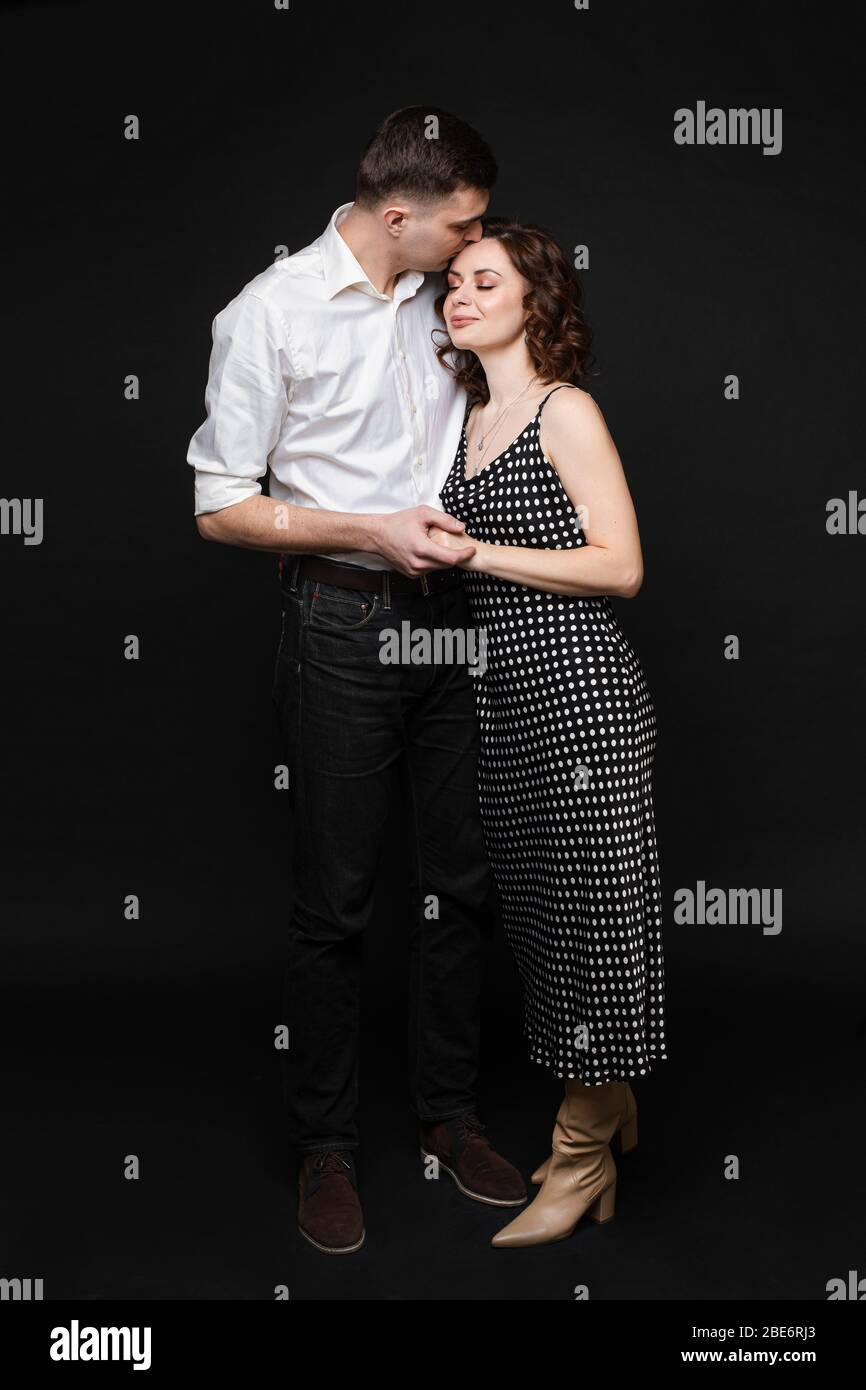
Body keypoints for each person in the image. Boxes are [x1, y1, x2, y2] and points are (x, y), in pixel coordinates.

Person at [186, 107, 528, 1256]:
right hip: (338, 620)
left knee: (462, 883)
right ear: (397, 217)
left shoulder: (454, 293)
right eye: (463, 226)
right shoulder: (265, 315)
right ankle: (325, 1146)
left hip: (458, 616)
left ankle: (445, 1114)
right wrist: (368, 532)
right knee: (333, 904)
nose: (480, 244)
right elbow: (221, 503)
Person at [430, 217, 669, 1247]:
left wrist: (475, 554)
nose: (459, 292)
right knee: (535, 922)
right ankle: (608, 1105)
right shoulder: (465, 416)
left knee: (587, 926)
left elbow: (619, 567)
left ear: (536, 301)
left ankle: (580, 1150)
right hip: (505, 701)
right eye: (450, 280)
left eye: (485, 279)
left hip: (580, 696)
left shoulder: (562, 410)